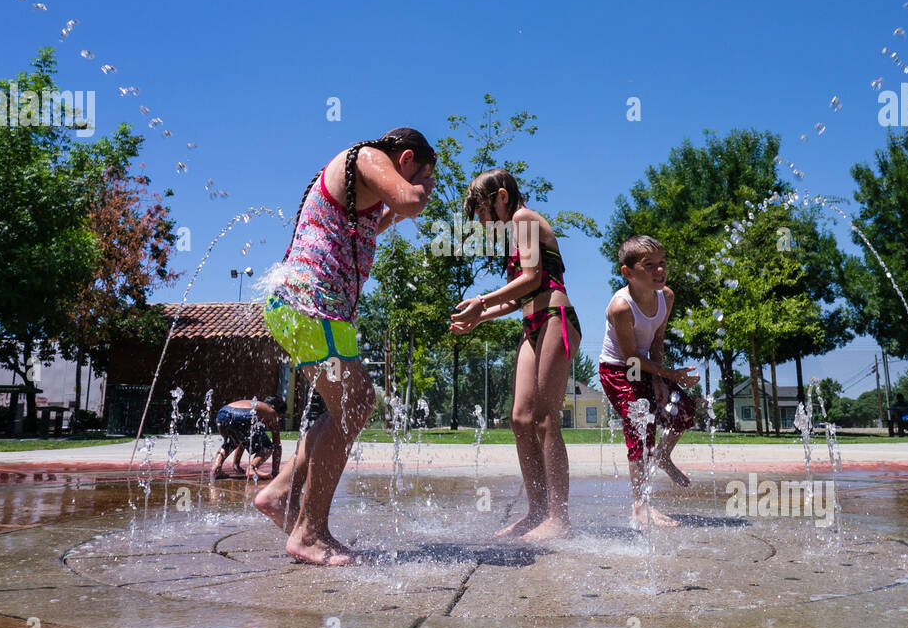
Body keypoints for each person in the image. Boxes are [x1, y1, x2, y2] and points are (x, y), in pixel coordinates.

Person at [251, 129, 436, 566]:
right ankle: (309, 533)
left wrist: (393, 211)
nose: (427, 187)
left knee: (343, 408)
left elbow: (386, 216)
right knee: (355, 403)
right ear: (405, 158)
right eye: (425, 175)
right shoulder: (368, 157)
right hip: (312, 305)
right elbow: (409, 202)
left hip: (311, 309)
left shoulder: (362, 184)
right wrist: (418, 190)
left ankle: (279, 495)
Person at [451, 169, 579, 542]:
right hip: (533, 322)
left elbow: (534, 279)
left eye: (480, 210)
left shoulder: (523, 219)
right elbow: (520, 296)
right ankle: (536, 512)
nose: (479, 220)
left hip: (555, 317)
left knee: (544, 418)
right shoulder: (514, 233)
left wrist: (480, 301)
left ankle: (559, 518)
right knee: (521, 418)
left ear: (501, 197)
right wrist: (481, 316)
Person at [597, 235, 698, 527]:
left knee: (684, 411)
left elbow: (656, 339)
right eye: (649, 265)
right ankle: (640, 507)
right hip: (618, 369)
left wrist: (660, 380)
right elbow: (630, 358)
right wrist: (672, 375)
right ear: (627, 272)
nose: (659, 270)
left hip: (646, 365)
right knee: (641, 426)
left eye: (662, 263)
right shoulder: (621, 307)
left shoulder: (665, 296)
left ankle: (663, 457)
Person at [211, 397, 284, 479]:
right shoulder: (272, 413)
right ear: (279, 413)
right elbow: (277, 445)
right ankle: (252, 468)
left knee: (232, 442)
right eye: (280, 417)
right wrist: (275, 472)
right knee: (268, 447)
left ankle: (215, 469)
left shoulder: (256, 406)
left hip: (222, 414)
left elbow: (242, 441)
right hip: (244, 415)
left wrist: (236, 464)